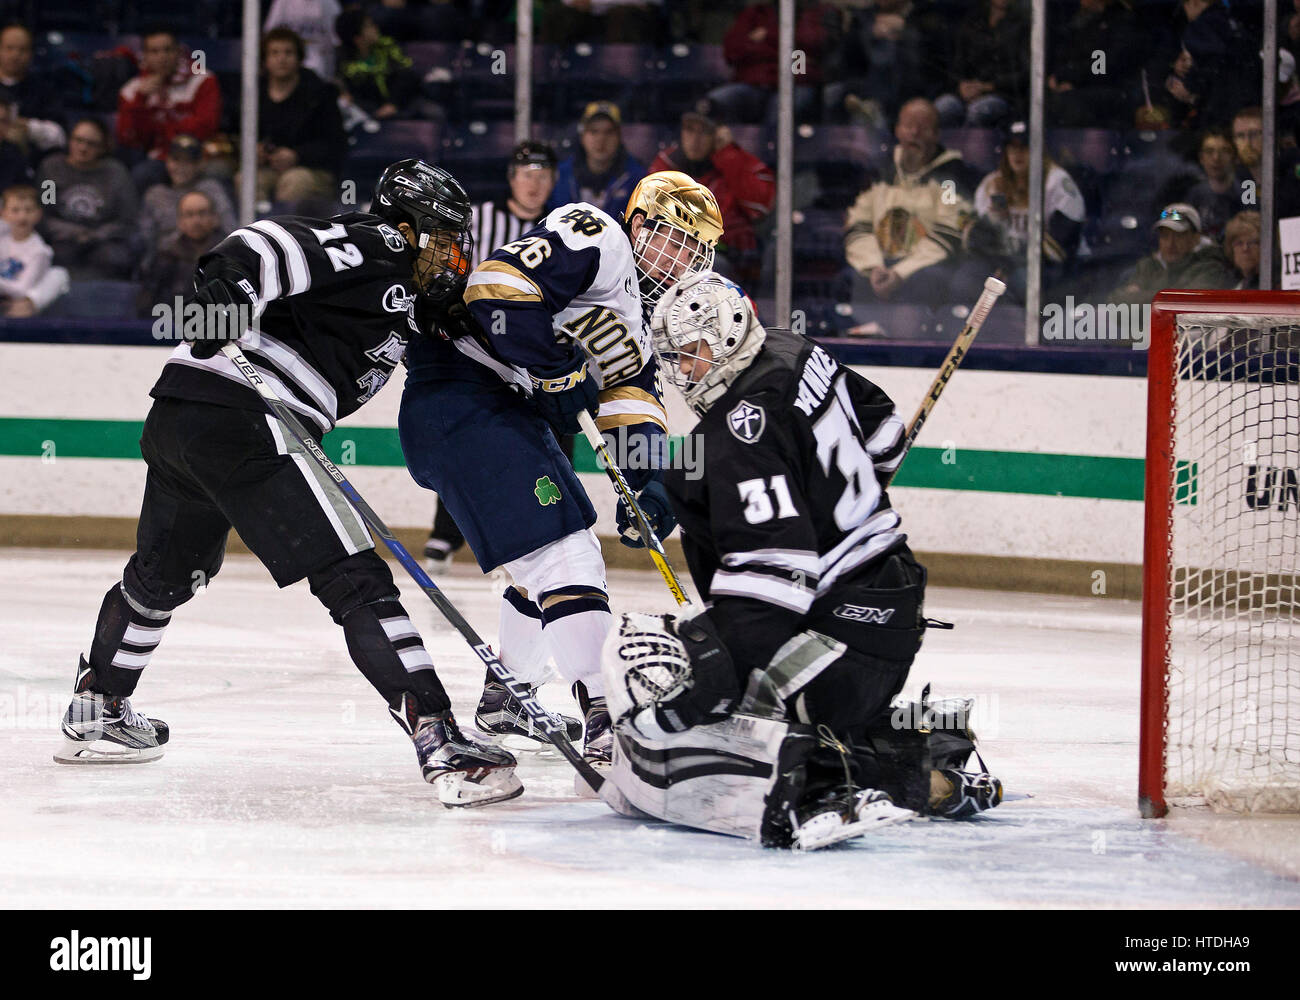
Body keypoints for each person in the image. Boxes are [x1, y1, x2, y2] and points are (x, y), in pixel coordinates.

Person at [54, 159, 522, 808]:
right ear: (407, 226)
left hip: (183, 417)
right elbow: (264, 243)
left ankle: (99, 706)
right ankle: (441, 740)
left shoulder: (406, 293)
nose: (451, 252)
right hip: (252, 415)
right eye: (442, 235)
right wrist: (228, 292)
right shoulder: (378, 244)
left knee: (163, 576)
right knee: (357, 582)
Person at [598, 270, 1003, 850]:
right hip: (890, 605)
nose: (684, 371)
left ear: (727, 333)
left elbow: (774, 580)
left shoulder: (739, 427)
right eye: (675, 360)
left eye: (692, 354)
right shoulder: (796, 349)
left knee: (743, 714)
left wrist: (719, 663)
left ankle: (831, 783)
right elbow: (886, 434)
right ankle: (931, 752)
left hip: (844, 635)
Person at [398, 171, 722, 765]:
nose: (681, 261)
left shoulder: (642, 329)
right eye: (673, 240)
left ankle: (509, 695)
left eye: (693, 251)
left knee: (540, 558)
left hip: (499, 416)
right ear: (641, 224)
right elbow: (495, 288)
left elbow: (630, 399)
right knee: (568, 552)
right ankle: (607, 715)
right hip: (463, 390)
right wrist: (554, 365)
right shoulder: (597, 233)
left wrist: (648, 482)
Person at [424, 140, 560, 575]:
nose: (534, 182)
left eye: (543, 174)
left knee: (548, 446)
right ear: (511, 178)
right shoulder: (477, 219)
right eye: (527, 173)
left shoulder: (561, 228)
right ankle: (447, 532)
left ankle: (548, 532)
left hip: (541, 357)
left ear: (554, 180)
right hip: (478, 353)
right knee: (470, 441)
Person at [843, 98, 984, 306]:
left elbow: (949, 234)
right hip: (880, 263)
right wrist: (873, 267)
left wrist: (900, 273)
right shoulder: (882, 171)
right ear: (898, 130)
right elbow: (858, 224)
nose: (914, 133)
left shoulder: (950, 177)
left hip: (925, 267)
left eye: (923, 128)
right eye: (909, 126)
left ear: (936, 135)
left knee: (928, 282)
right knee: (848, 279)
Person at [647, 110, 774, 284]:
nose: (695, 139)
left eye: (704, 132)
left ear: (717, 135)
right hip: (672, 252)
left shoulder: (736, 160)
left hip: (727, 260)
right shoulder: (667, 163)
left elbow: (759, 208)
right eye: (689, 130)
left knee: (703, 269)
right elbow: (650, 212)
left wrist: (727, 155)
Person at [969, 121, 1086, 302]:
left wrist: (1012, 259)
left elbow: (1060, 247)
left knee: (1022, 281)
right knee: (966, 279)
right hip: (1007, 264)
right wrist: (993, 220)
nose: (1017, 153)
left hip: (1051, 267)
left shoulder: (1056, 182)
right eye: (1012, 147)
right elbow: (973, 237)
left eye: (1024, 147)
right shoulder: (992, 184)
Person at [116, 27, 222, 191]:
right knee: (141, 174)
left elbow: (206, 126)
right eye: (154, 51)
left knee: (218, 172)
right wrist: (141, 100)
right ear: (145, 56)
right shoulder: (133, 90)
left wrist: (164, 130)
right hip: (159, 159)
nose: (162, 57)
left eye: (167, 50)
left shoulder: (203, 80)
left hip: (197, 156)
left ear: (179, 51)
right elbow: (128, 138)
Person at [37, 118, 138, 280]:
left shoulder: (116, 173)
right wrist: (75, 232)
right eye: (79, 140)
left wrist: (96, 235)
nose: (83, 148)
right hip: (63, 238)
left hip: (104, 240)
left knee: (115, 259)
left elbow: (126, 219)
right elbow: (46, 214)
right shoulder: (52, 169)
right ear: (70, 140)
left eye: (91, 144)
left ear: (103, 148)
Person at [257, 26, 346, 207]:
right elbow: (235, 131)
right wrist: (254, 150)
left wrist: (297, 155)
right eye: (274, 53)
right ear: (265, 60)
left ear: (299, 58)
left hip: (312, 170)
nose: (281, 59)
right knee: (247, 179)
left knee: (294, 181)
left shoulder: (320, 93)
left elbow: (335, 143)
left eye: (288, 52)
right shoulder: (254, 93)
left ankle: (286, 234)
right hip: (268, 168)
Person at [139, 134, 236, 270]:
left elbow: (229, 230)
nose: (181, 167)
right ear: (167, 161)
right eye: (176, 160)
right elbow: (146, 239)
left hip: (208, 262)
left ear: (200, 164)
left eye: (188, 162)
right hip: (168, 265)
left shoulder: (211, 189)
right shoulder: (155, 195)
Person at [1108, 202, 1237, 304]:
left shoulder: (1211, 267)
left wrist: (1139, 296)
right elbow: (1117, 303)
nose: (1170, 243)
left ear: (1196, 237)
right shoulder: (1148, 265)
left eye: (1178, 236)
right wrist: (1171, 294)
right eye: (1165, 236)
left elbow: (1184, 306)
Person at [934, 0, 1027, 127]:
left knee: (979, 111)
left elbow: (1025, 74)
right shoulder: (973, 22)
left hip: (1003, 95)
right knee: (943, 107)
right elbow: (958, 65)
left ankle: (968, 147)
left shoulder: (1022, 26)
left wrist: (989, 86)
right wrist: (962, 86)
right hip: (968, 92)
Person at [546, 101, 646, 219]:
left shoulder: (638, 180)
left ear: (619, 136)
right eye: (594, 131)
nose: (601, 139)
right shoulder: (560, 175)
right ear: (582, 136)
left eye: (609, 132)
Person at [136, 190, 222, 316]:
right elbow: (147, 304)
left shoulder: (227, 256)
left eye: (202, 213)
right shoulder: (165, 257)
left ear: (215, 218)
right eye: (189, 214)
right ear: (180, 221)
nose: (196, 221)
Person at [334, 8, 422, 121]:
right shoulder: (344, 61)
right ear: (358, 38)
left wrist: (393, 104)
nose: (375, 27)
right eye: (369, 26)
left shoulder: (387, 46)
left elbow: (408, 75)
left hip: (401, 105)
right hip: (368, 114)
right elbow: (347, 92)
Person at [0, 22, 66, 164]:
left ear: (31, 54)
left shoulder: (44, 89)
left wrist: (28, 127)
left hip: (30, 164)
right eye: (9, 48)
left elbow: (59, 136)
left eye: (22, 49)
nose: (15, 55)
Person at [0, 183, 62, 317]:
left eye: (28, 210)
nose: (22, 217)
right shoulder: (2, 239)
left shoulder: (40, 251)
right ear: (3, 213)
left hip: (16, 306)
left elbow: (22, 290)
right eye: (15, 210)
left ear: (38, 213)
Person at [1180, 128, 1241, 239]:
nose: (1216, 158)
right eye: (1209, 151)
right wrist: (1172, 214)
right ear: (1201, 158)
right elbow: (1167, 215)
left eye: (1224, 151)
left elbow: (1253, 219)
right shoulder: (1195, 194)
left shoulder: (1247, 190)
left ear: (1235, 157)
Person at [265, 0, 343, 80]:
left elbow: (337, 41)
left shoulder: (328, 3)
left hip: (320, 60)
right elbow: (270, 34)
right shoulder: (282, 2)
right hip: (289, 58)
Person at [1222, 209, 1260, 288]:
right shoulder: (1225, 282)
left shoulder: (1272, 285)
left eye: (1252, 242)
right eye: (1239, 243)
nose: (1245, 248)